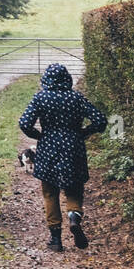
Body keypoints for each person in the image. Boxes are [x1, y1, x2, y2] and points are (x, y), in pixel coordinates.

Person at [18, 62, 107, 252]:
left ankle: (56, 239)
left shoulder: (40, 98)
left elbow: (24, 123)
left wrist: (39, 135)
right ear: (67, 78)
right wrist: (84, 132)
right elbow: (100, 120)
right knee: (74, 189)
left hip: (48, 147)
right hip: (73, 147)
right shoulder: (76, 98)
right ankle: (74, 218)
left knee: (50, 193)